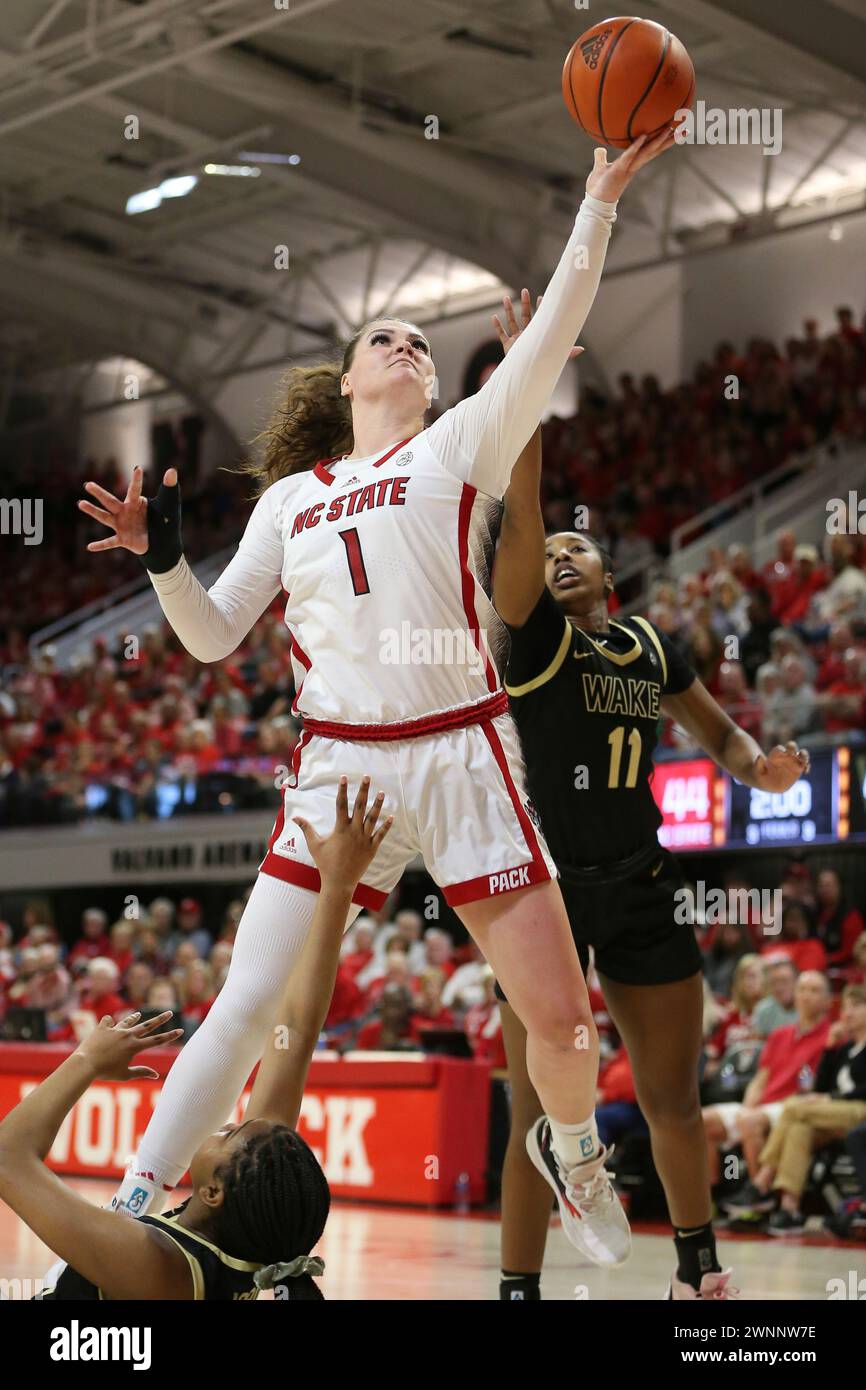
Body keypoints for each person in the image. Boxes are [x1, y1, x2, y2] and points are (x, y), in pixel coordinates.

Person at [76, 132, 677, 1266]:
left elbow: (554, 326)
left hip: (459, 756)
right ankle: (138, 1204)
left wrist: (595, 194)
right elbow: (209, 640)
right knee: (246, 1003)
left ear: (436, 384)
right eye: (379, 337)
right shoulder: (290, 502)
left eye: (416, 339)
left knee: (559, 1021)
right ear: (348, 379)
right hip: (339, 764)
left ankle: (571, 1148)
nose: (401, 342)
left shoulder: (461, 442)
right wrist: (163, 559)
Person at [489, 292, 811, 1299]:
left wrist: (755, 766)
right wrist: (530, 378)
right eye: (546, 556)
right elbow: (523, 507)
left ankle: (695, 1272)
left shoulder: (649, 643)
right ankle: (516, 1288)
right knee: (532, 1112)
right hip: (540, 891)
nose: (555, 555)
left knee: (672, 1094)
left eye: (573, 549)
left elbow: (714, 730)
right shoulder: (532, 639)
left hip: (637, 879)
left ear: (608, 574)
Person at [0, 778, 391, 1300]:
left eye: (231, 1136)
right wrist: (338, 890)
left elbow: (7, 1158)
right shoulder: (258, 1239)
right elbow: (293, 1031)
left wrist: (86, 1060)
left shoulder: (155, 1266)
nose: (233, 1121)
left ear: (213, 1190)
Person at [724, 984, 866, 1234]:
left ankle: (761, 1182)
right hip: (833, 1113)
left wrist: (831, 1097)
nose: (848, 1012)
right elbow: (820, 1085)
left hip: (859, 1108)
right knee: (799, 1128)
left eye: (857, 1006)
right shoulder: (844, 1048)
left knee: (793, 1106)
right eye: (845, 1006)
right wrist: (831, 1048)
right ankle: (790, 1209)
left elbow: (834, 1092)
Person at [706, 971, 831, 1192]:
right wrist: (746, 1108)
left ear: (828, 1000)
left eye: (814, 990)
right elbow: (759, 1081)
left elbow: (814, 1084)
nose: (806, 996)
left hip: (795, 1105)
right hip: (764, 1106)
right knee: (701, 1121)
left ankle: (761, 1196)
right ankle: (712, 1197)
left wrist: (748, 1117)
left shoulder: (830, 1037)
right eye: (802, 989)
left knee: (750, 1122)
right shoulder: (779, 1035)